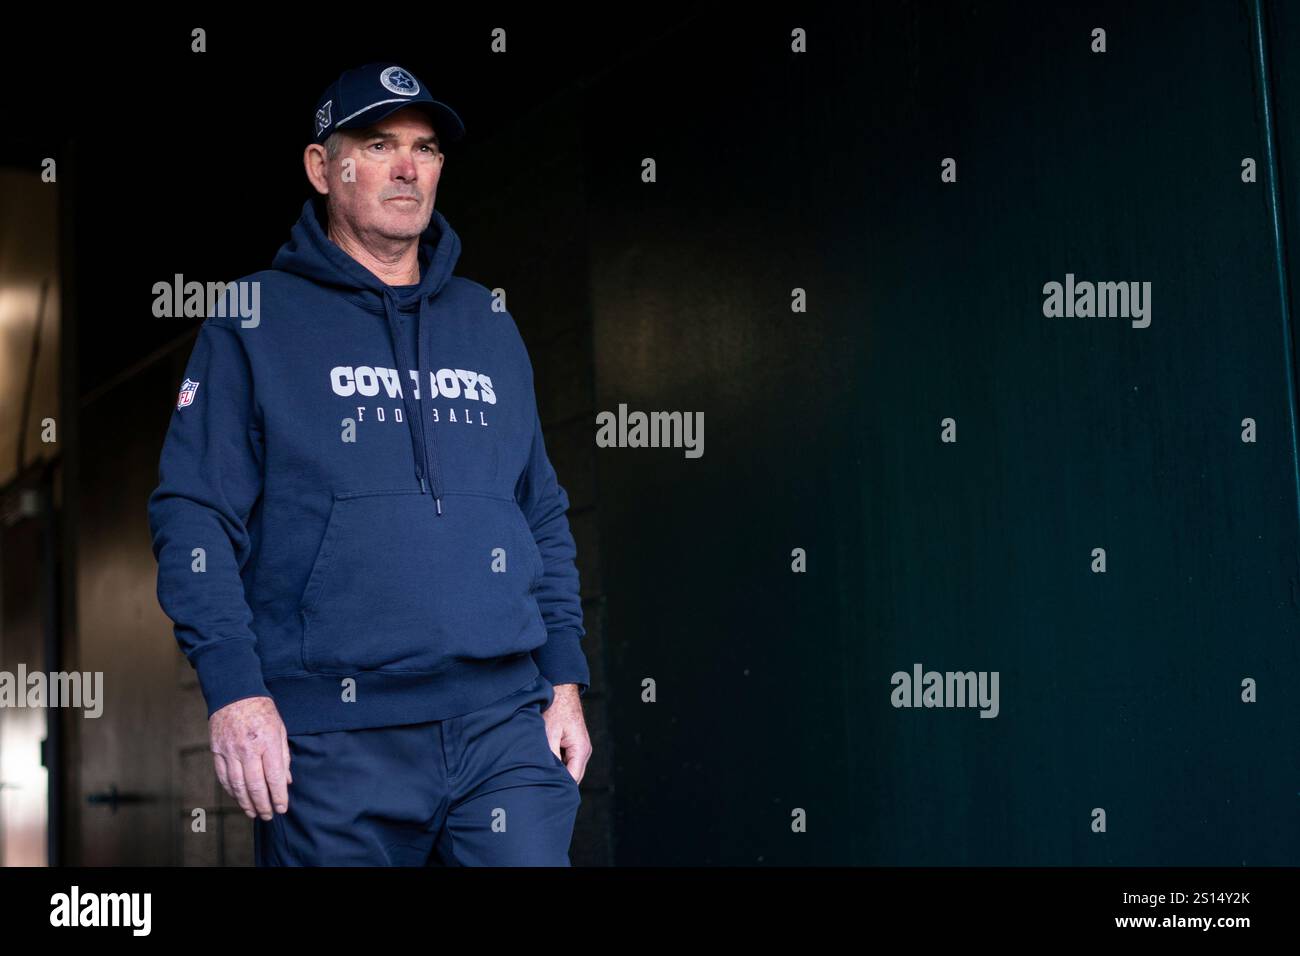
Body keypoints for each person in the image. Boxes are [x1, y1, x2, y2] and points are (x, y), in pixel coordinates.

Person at [147, 62, 591, 865]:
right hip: (333, 740)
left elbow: (541, 514)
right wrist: (236, 690)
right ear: (323, 167)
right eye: (378, 143)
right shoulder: (254, 319)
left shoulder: (487, 323)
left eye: (424, 149)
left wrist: (563, 678)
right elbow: (193, 514)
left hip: (502, 726)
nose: (406, 167)